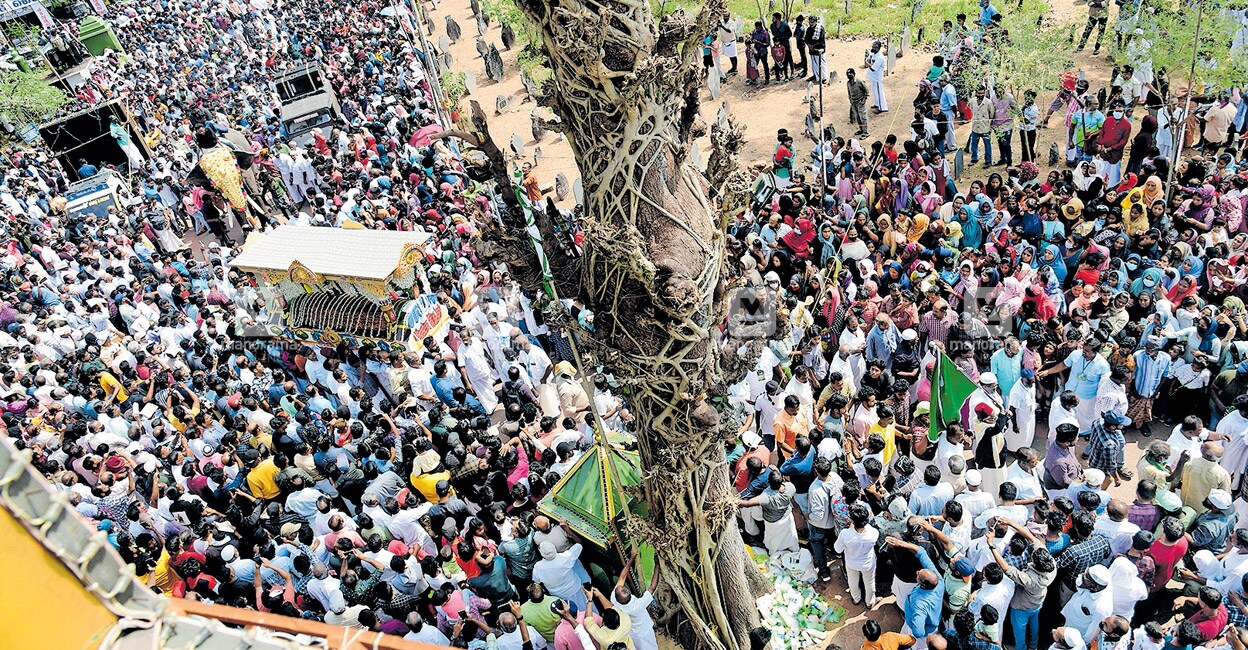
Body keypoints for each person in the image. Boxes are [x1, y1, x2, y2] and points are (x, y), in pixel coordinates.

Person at [847, 68, 870, 138]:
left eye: (850, 74)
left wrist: (863, 101)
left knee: (863, 117)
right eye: (848, 74)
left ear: (854, 74)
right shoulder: (848, 83)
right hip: (854, 103)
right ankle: (861, 129)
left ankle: (866, 132)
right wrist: (851, 100)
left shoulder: (859, 81)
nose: (849, 75)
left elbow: (866, 91)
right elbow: (849, 93)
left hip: (860, 102)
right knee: (857, 117)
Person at [866, 41, 888, 113]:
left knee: (879, 93)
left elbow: (872, 68)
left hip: (877, 78)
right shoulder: (873, 53)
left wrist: (868, 64)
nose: (873, 48)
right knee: (874, 92)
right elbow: (868, 60)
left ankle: (882, 108)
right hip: (873, 77)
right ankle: (877, 104)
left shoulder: (880, 57)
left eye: (875, 47)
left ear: (879, 48)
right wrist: (868, 63)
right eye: (873, 46)